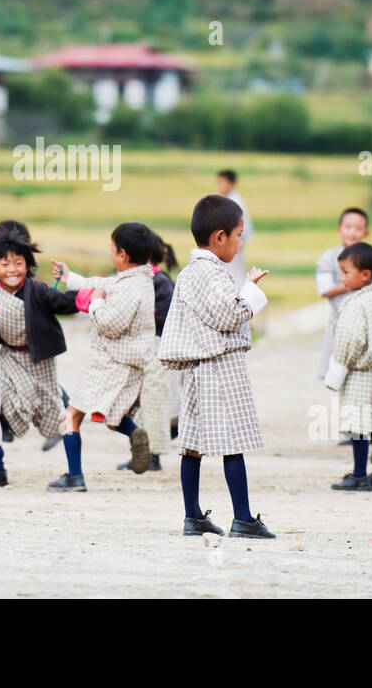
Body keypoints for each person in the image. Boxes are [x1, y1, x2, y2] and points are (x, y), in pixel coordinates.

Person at [159, 194, 274, 539]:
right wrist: (251, 293)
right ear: (220, 237)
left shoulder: (191, 272)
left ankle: (193, 516)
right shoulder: (211, 274)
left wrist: (242, 289)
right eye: (239, 235)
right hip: (221, 367)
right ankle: (243, 518)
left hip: (198, 369)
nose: (241, 243)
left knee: (192, 443)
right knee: (232, 442)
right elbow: (229, 315)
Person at [0, 228, 81, 488]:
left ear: (27, 265)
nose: (13, 269)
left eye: (19, 263)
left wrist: (88, 294)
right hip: (8, 361)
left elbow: (65, 303)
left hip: (39, 363)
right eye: (5, 264)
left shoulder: (38, 291)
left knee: (61, 415)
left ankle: (75, 474)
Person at [51, 222, 158, 489]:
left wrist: (95, 302)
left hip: (112, 363)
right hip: (128, 364)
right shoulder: (140, 280)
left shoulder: (129, 289)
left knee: (71, 414)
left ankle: (75, 476)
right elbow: (106, 283)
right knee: (113, 417)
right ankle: (134, 434)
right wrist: (71, 278)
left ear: (122, 254)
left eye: (111, 249)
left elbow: (110, 323)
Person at [325, 242, 372, 492]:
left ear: (365, 274)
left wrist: (342, 363)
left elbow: (351, 339)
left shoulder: (358, 303)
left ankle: (358, 474)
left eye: (345, 272)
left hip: (360, 372)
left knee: (358, 426)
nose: (342, 277)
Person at [120, 236, 177, 472]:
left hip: (156, 346)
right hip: (139, 347)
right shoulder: (139, 280)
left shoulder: (160, 281)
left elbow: (165, 315)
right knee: (137, 404)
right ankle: (140, 454)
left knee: (153, 403)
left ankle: (153, 456)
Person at [316, 207, 370, 380]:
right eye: (348, 227)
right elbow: (325, 289)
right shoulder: (329, 257)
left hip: (367, 323)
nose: (353, 232)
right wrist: (355, 284)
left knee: (363, 373)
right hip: (338, 322)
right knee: (336, 374)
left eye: (358, 228)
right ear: (339, 229)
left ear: (366, 232)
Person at [214, 169, 252, 286]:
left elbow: (242, 228)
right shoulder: (229, 199)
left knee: (233, 276)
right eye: (218, 182)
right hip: (230, 244)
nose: (219, 186)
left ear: (232, 183)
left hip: (231, 244)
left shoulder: (234, 202)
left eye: (222, 182)